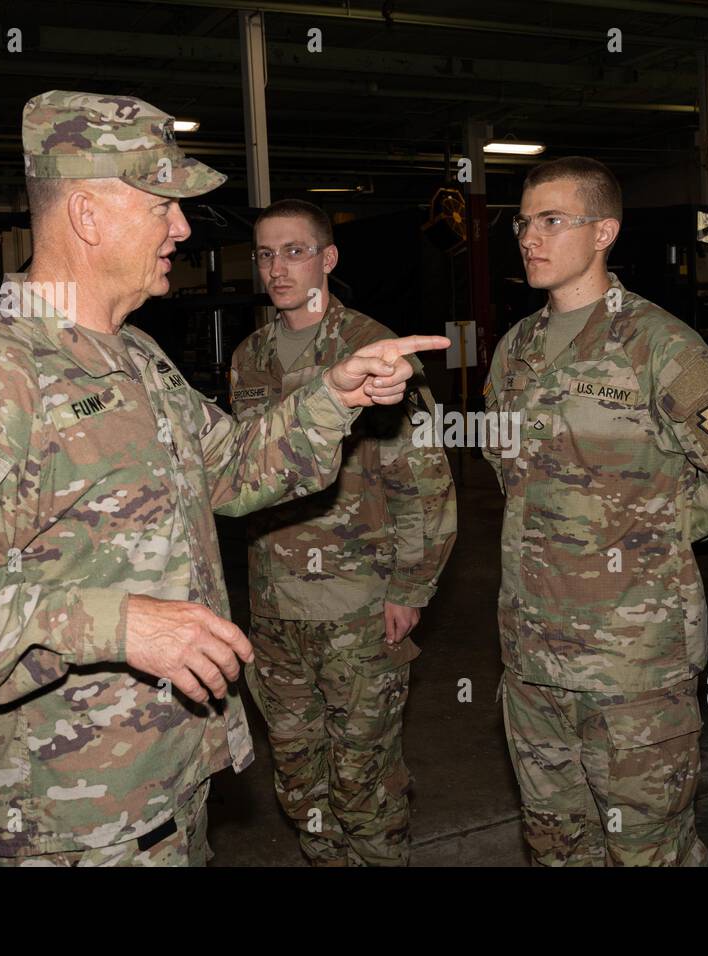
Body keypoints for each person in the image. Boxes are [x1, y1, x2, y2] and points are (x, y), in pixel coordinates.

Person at [0, 90, 447, 867]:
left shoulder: (135, 357)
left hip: (172, 785)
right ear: (88, 215)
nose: (183, 228)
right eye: (162, 204)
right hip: (75, 824)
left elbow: (230, 468)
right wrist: (120, 624)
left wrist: (333, 399)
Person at [481, 157, 708, 866]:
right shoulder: (515, 351)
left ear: (604, 233)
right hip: (531, 655)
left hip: (633, 663)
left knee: (651, 850)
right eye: (525, 223)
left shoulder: (660, 347)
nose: (530, 237)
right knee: (558, 845)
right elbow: (511, 476)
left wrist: (653, 525)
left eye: (552, 221)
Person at [228, 199, 457, 866]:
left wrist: (411, 588)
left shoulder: (372, 351)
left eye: (294, 251)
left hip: (357, 608)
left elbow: (425, 483)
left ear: (328, 258)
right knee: (302, 784)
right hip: (274, 610)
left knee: (365, 786)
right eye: (266, 254)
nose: (278, 267)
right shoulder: (249, 358)